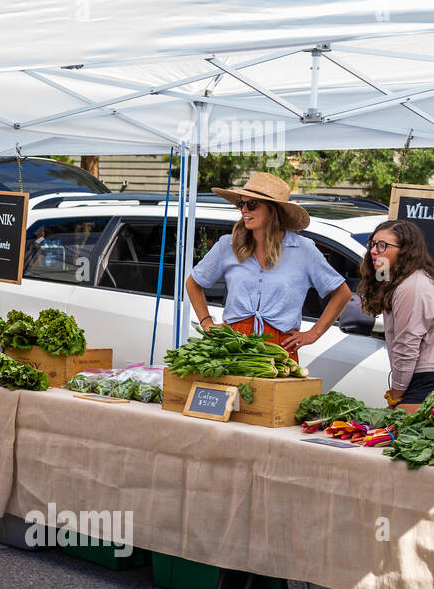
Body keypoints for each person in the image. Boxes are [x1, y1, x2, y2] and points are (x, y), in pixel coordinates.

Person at [185, 171, 351, 361]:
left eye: (252, 204)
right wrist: (207, 323)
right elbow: (193, 283)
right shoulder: (228, 245)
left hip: (279, 349)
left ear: (273, 210)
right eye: (241, 203)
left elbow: (342, 293)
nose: (244, 210)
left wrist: (314, 333)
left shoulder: (303, 250)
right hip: (232, 345)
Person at [356, 220, 434, 410]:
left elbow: (406, 345)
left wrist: (396, 395)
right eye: (372, 244)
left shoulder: (412, 287)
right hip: (419, 377)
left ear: (405, 251)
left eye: (383, 246)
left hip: (426, 377)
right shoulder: (397, 282)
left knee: (397, 435)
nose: (374, 251)